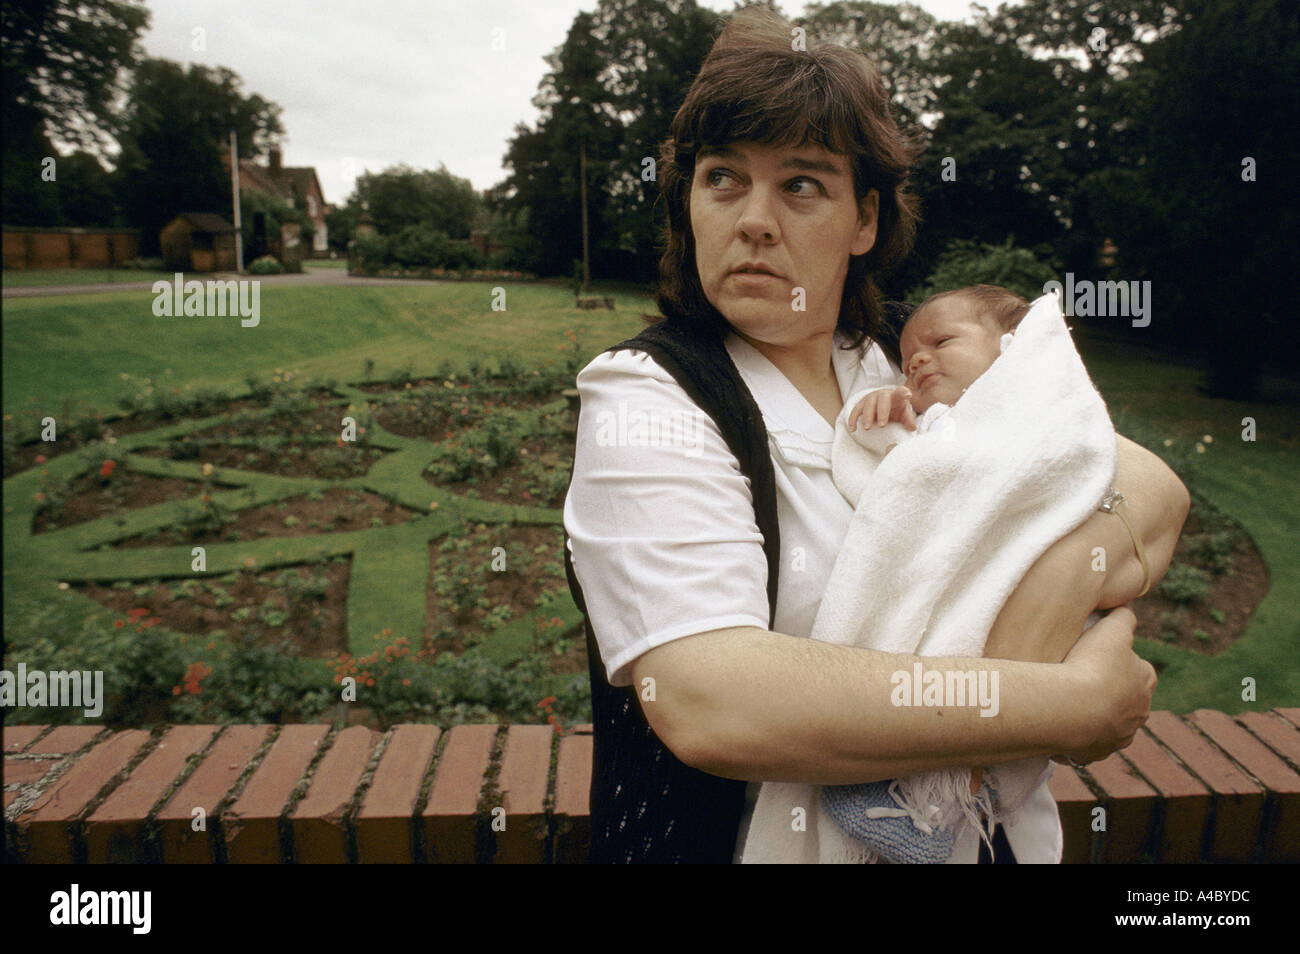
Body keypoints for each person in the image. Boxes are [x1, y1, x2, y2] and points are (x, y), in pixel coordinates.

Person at [561, 7, 1188, 864]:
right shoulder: (653, 394)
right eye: (723, 179)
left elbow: (1144, 484)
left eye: (802, 184)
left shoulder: (913, 354)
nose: (754, 218)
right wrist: (1065, 704)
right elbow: (711, 699)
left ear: (863, 221)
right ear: (690, 202)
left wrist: (1052, 592)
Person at [766, 283, 1175, 864]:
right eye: (909, 361)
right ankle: (927, 785)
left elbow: (1087, 476)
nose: (918, 361)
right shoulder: (935, 422)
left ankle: (944, 787)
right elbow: (896, 487)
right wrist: (887, 425)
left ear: (1014, 349)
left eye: (941, 342)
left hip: (1019, 611)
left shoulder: (1045, 415)